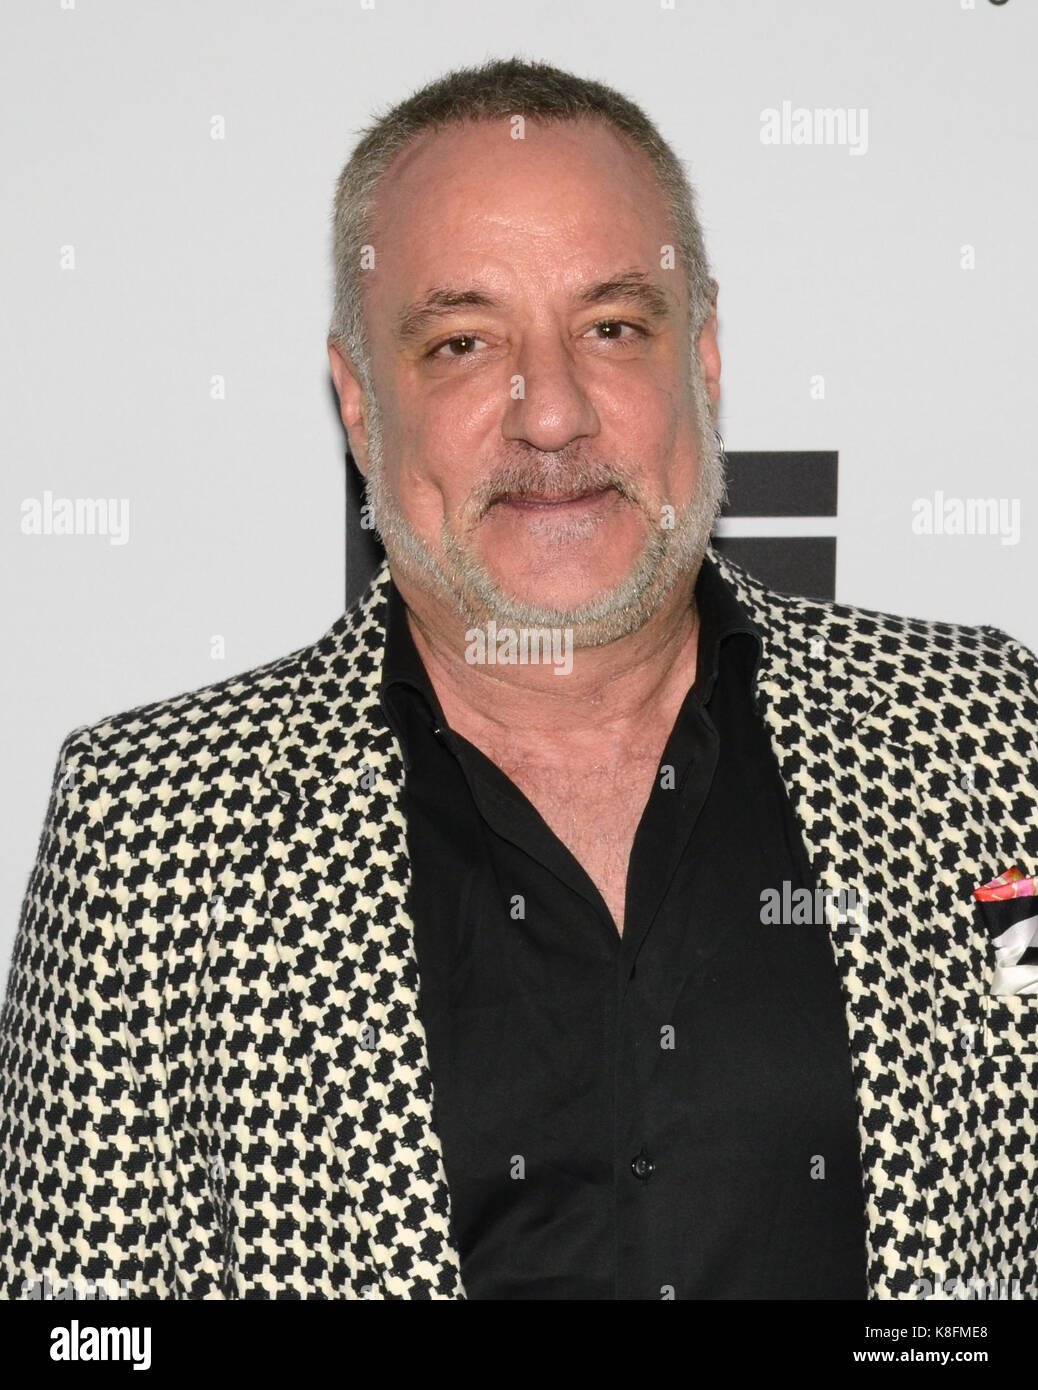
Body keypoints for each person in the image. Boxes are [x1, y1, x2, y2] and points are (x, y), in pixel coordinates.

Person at [2, 57, 1035, 1301]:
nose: (550, 414)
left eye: (611, 327)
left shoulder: (988, 737)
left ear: (701, 360)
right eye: (460, 342)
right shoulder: (148, 833)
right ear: (358, 403)